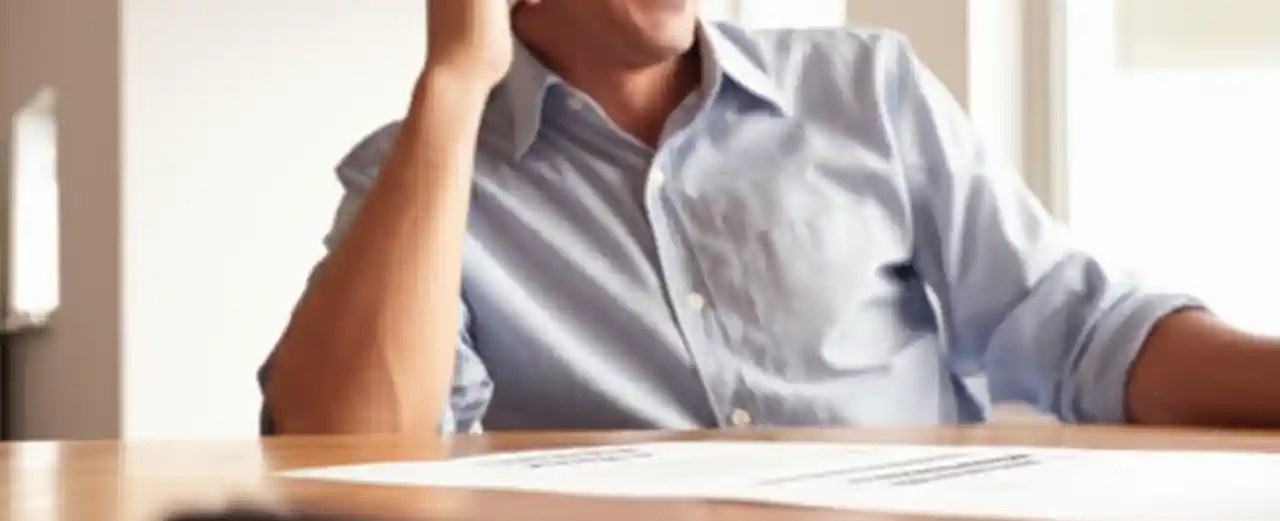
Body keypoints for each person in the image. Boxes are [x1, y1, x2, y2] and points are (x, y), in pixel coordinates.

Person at [260, 0, 1280, 436]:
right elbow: (349, 452)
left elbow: (1077, 333)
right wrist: (454, 76)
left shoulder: (866, 88)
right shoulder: (425, 183)